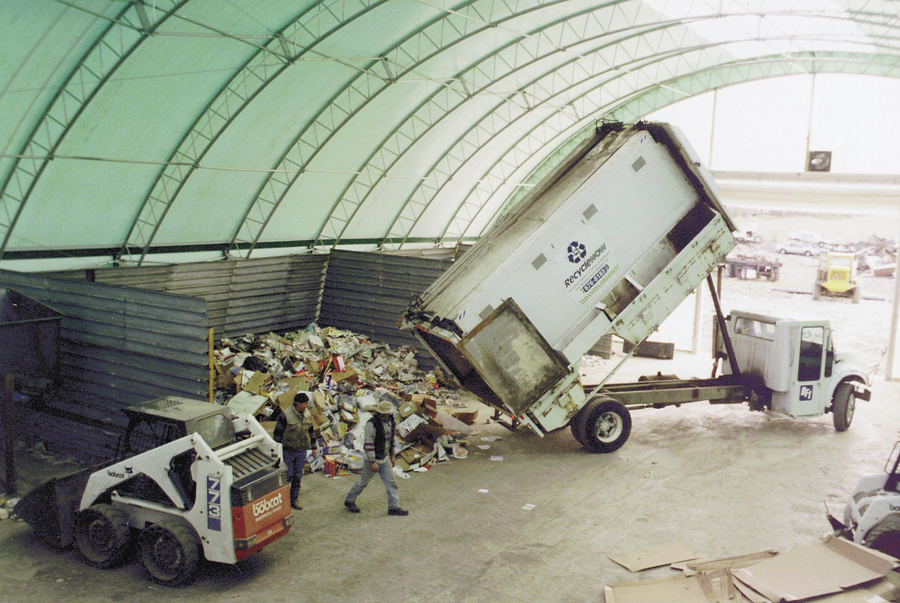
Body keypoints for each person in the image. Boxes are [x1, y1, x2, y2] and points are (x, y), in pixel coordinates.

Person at [344, 399, 409, 516]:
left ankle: (393, 507)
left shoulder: (391, 422)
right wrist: (372, 461)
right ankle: (350, 500)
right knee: (363, 482)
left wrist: (392, 455)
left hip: (385, 458)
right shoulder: (372, 424)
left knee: (392, 483)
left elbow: (391, 441)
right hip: (373, 459)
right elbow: (368, 443)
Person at [274, 392, 315, 510]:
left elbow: (311, 431)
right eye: (305, 403)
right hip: (288, 451)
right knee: (288, 476)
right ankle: (283, 501)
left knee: (297, 476)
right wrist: (278, 452)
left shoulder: (307, 414)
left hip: (301, 451)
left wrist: (314, 446)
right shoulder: (285, 415)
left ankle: (294, 500)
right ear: (298, 404)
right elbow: (278, 434)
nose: (307, 406)